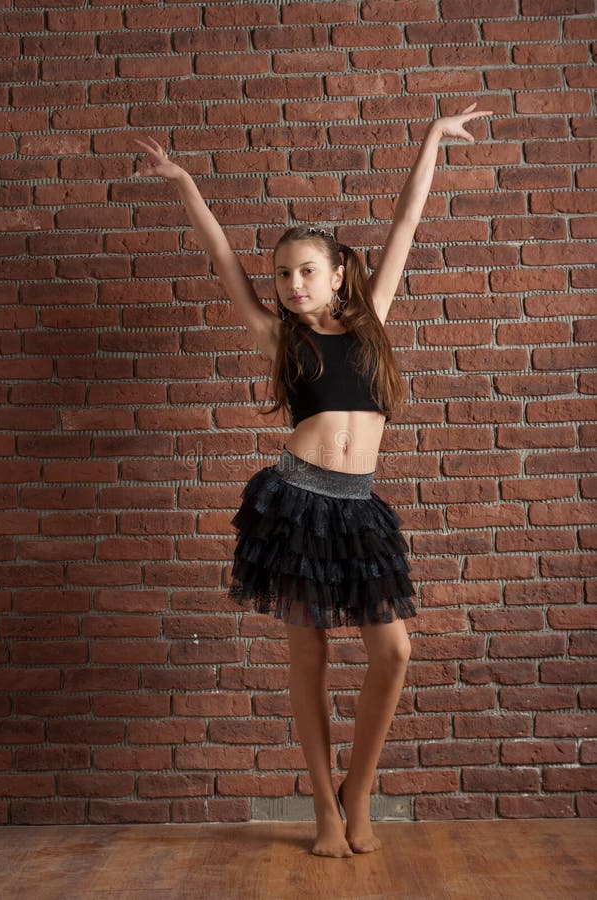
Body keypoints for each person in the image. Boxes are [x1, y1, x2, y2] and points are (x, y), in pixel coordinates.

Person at [132, 100, 493, 859]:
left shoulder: (374, 319)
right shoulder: (277, 334)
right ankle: (324, 812)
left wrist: (432, 137)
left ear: (336, 276)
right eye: (284, 276)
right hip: (296, 502)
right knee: (310, 658)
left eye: (306, 272)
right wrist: (185, 184)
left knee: (391, 653)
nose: (293, 285)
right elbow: (224, 260)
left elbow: (405, 224)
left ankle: (356, 790)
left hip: (357, 510)